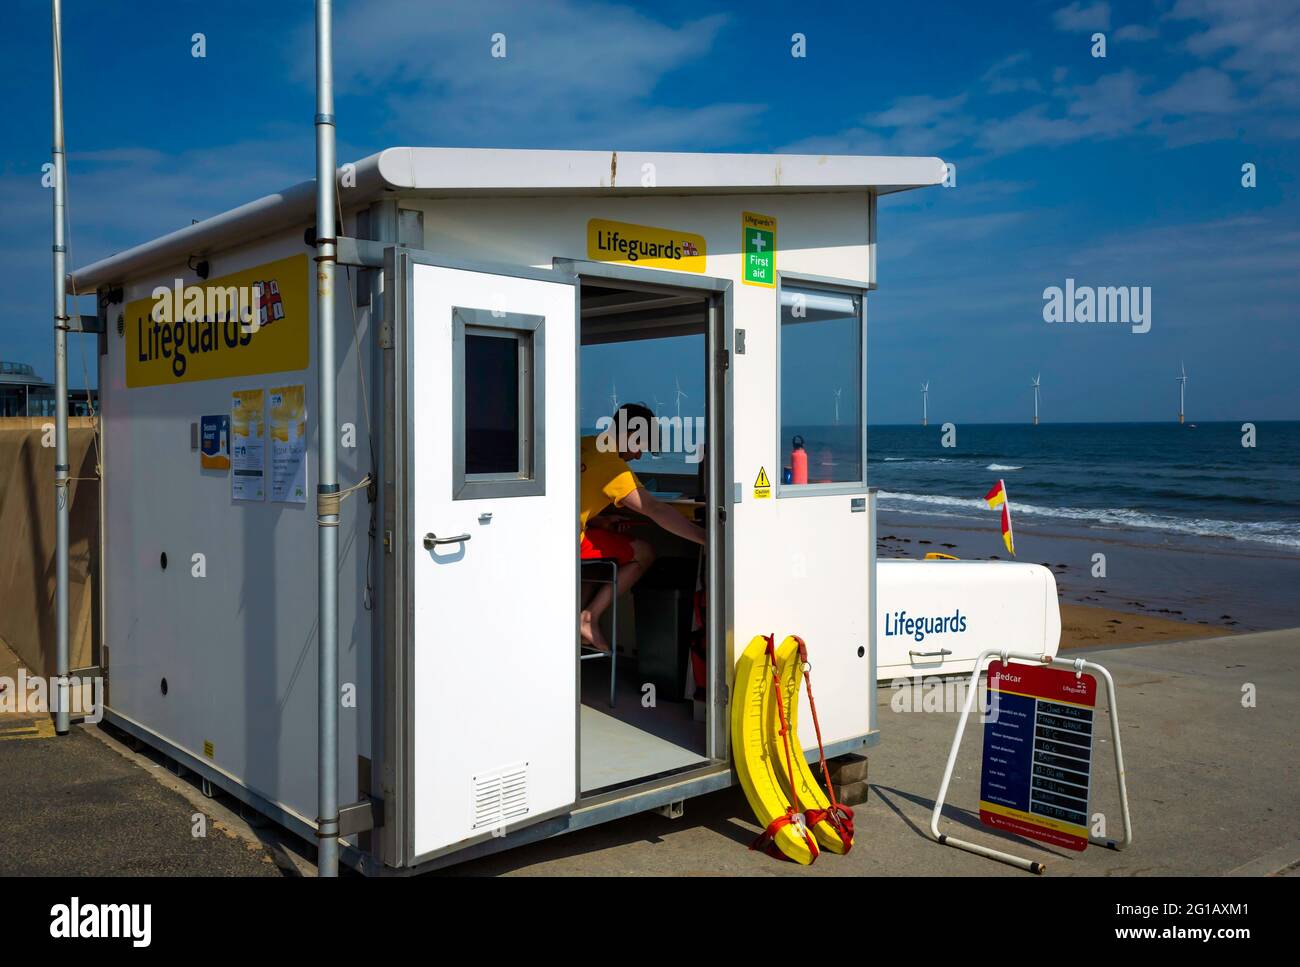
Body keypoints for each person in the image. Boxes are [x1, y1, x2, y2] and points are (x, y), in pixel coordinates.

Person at [580, 403, 705, 652]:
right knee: (643, 552)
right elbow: (654, 509)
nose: (638, 456)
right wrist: (706, 537)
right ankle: (587, 619)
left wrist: (600, 521)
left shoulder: (584, 444)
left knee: (606, 553)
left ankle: (577, 620)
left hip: (550, 535)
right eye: (640, 446)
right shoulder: (613, 467)